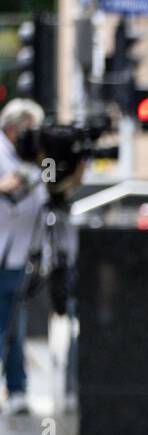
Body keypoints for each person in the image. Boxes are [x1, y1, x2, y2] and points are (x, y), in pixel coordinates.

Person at [0, 98, 47, 416]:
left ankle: (17, 387)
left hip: (19, 255)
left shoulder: (37, 159)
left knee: (14, 321)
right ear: (15, 129)